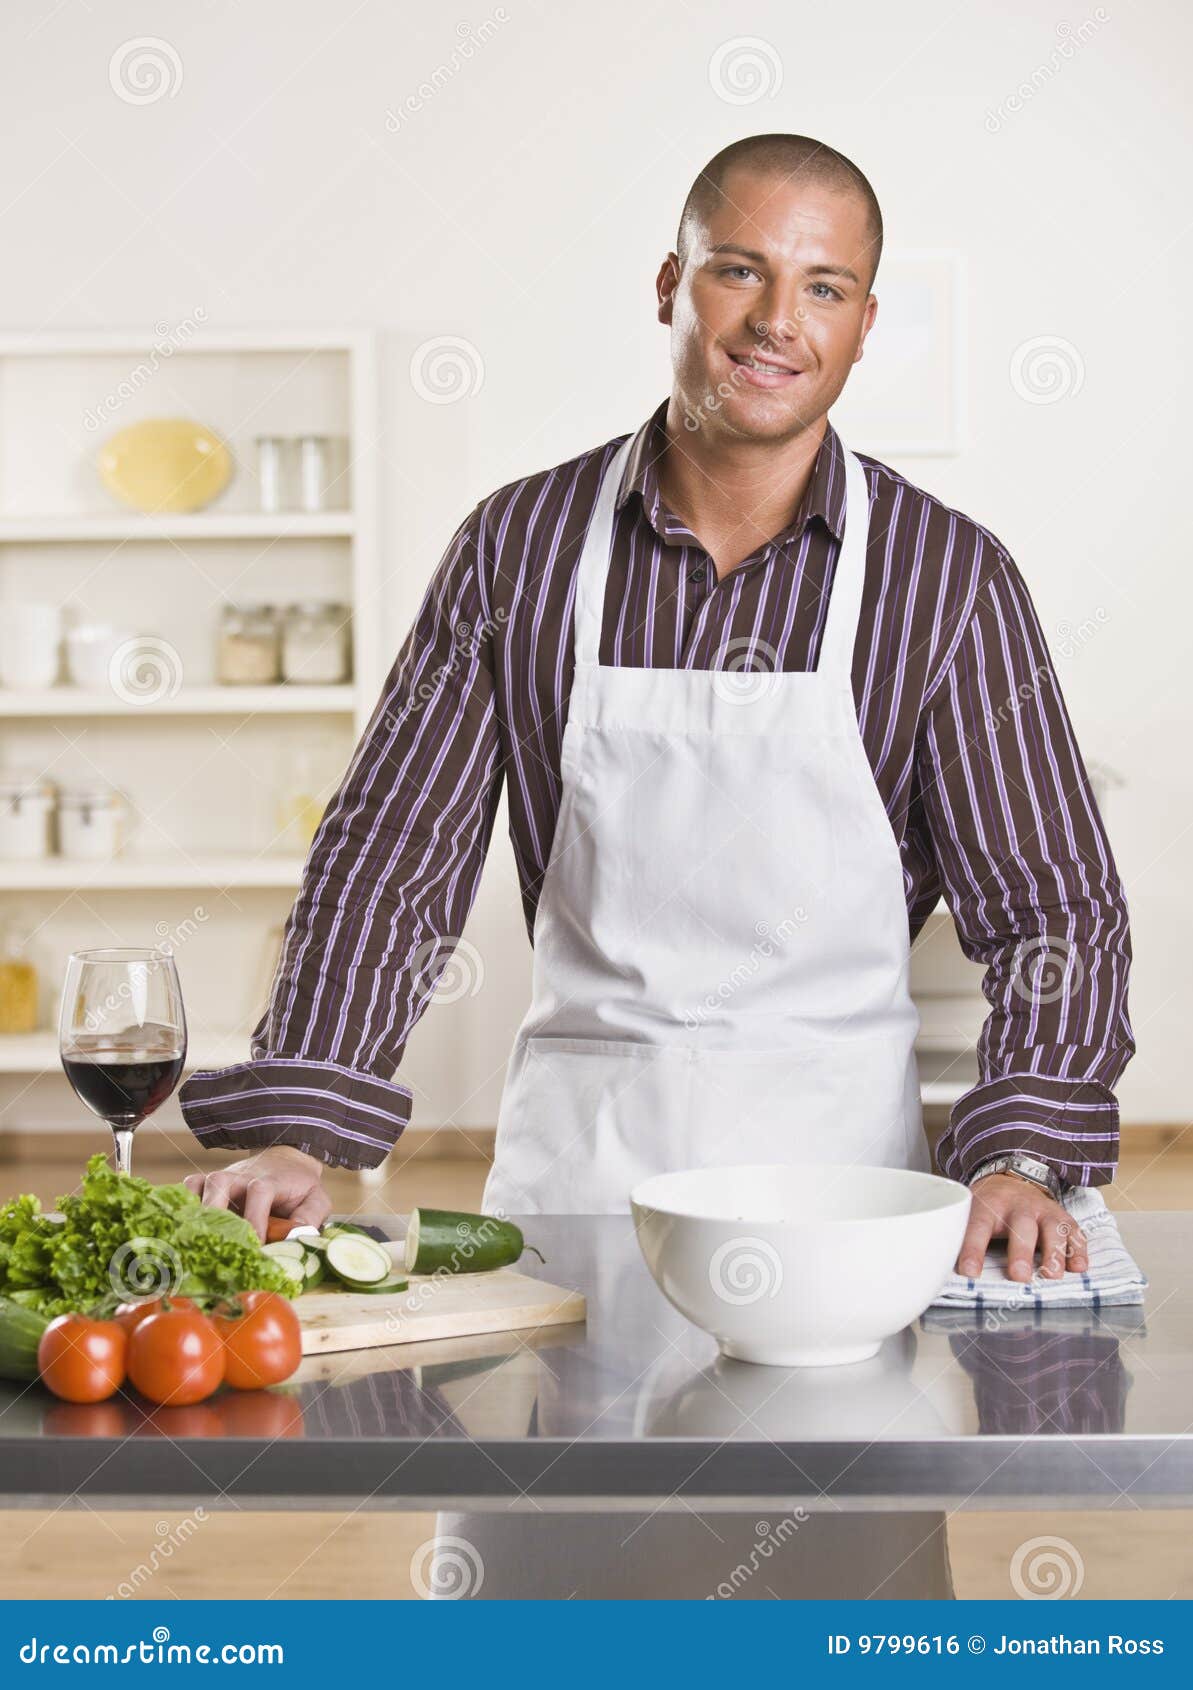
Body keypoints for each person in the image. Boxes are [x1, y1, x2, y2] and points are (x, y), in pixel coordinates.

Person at [179, 133, 1133, 1598]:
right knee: (539, 1588)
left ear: (864, 325)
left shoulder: (948, 580)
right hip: (577, 1186)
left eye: (824, 286)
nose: (775, 320)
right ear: (669, 282)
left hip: (841, 1210)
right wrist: (309, 1120)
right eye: (739, 267)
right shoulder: (516, 546)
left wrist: (1016, 1150)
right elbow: (390, 858)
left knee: (829, 1584)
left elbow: (1053, 906)